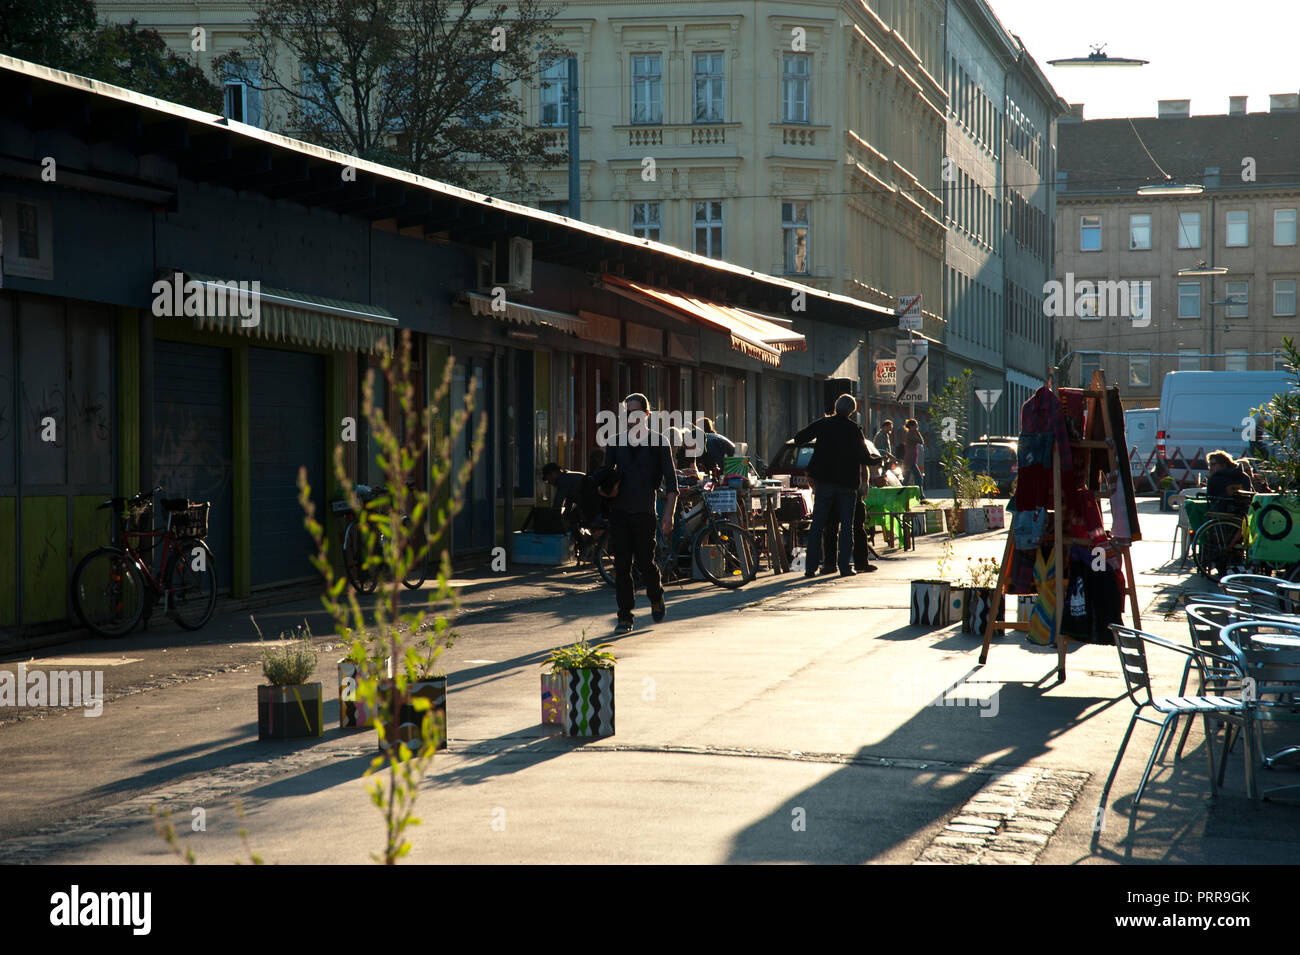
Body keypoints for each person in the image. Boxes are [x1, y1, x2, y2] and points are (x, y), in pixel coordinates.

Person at [604, 393, 679, 633]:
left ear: (646, 415)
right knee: (623, 566)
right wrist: (605, 489)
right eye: (628, 414)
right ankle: (625, 617)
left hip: (645, 512)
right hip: (620, 514)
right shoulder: (615, 443)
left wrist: (669, 515)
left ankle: (656, 596)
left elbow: (672, 484)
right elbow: (604, 480)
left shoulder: (659, 443)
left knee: (646, 564)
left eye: (636, 413)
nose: (631, 418)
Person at [794, 394, 871, 578]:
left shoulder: (823, 424)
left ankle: (810, 568)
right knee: (847, 527)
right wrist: (878, 459)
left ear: (836, 406)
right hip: (847, 483)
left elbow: (799, 439)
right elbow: (865, 457)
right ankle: (845, 567)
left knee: (818, 525)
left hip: (824, 482)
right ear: (851, 410)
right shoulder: (854, 429)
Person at [901, 418, 926, 498]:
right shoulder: (910, 434)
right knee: (918, 477)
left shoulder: (911, 433)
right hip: (910, 459)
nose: (917, 426)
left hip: (911, 459)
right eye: (916, 425)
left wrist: (917, 432)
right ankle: (921, 495)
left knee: (906, 479)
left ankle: (900, 493)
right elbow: (921, 441)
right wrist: (918, 432)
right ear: (912, 426)